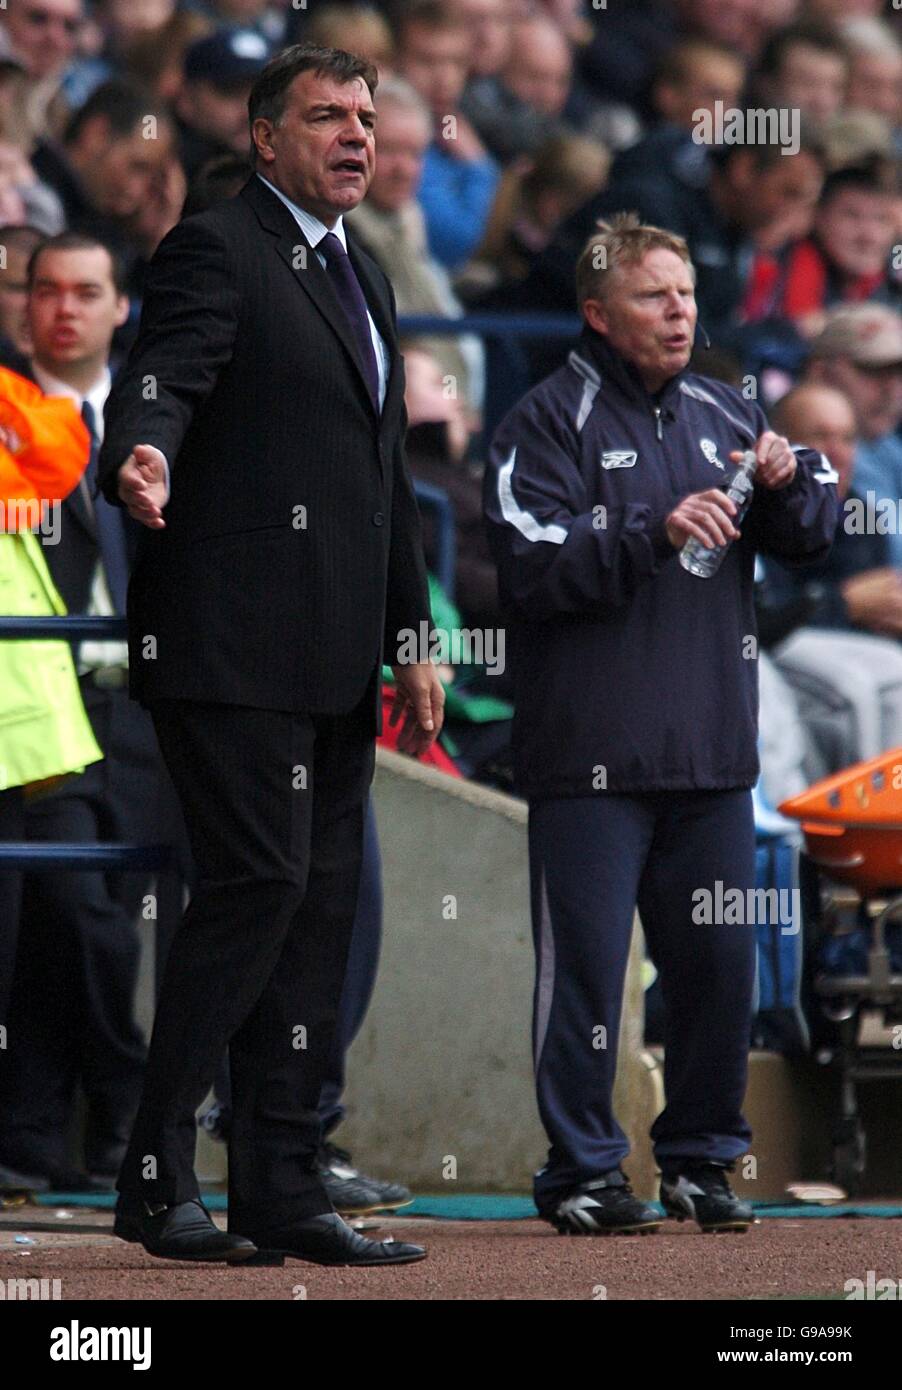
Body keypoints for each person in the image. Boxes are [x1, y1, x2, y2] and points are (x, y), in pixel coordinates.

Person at [96, 42, 443, 1267]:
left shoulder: (368, 275)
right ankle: (150, 1173)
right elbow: (158, 384)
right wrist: (141, 455)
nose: (354, 134)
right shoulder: (217, 245)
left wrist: (411, 633)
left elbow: (382, 479)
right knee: (254, 894)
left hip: (339, 662)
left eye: (366, 114)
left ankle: (284, 1185)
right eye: (326, 116)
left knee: (314, 917)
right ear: (263, 136)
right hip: (229, 647)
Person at [483, 212, 839, 1236]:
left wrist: (785, 479)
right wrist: (650, 525)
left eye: (684, 293)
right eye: (652, 295)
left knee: (717, 973)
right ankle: (583, 1171)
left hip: (712, 758)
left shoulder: (725, 410)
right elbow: (529, 562)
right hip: (586, 760)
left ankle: (699, 1159)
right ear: (596, 312)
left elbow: (812, 526)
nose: (679, 311)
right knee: (589, 974)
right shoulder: (539, 423)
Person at [0, 232, 183, 1192]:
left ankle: (61, 1134)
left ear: (122, 308)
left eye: (86, 292)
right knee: (71, 911)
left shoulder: (165, 417)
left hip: (155, 706)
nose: (63, 308)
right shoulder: (2, 417)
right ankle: (114, 1106)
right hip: (41, 704)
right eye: (44, 291)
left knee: (152, 914)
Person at [0, 363, 101, 1192]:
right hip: (26, 722)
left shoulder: (13, 398)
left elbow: (51, 460)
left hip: (30, 726)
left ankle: (31, 1147)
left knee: (41, 935)